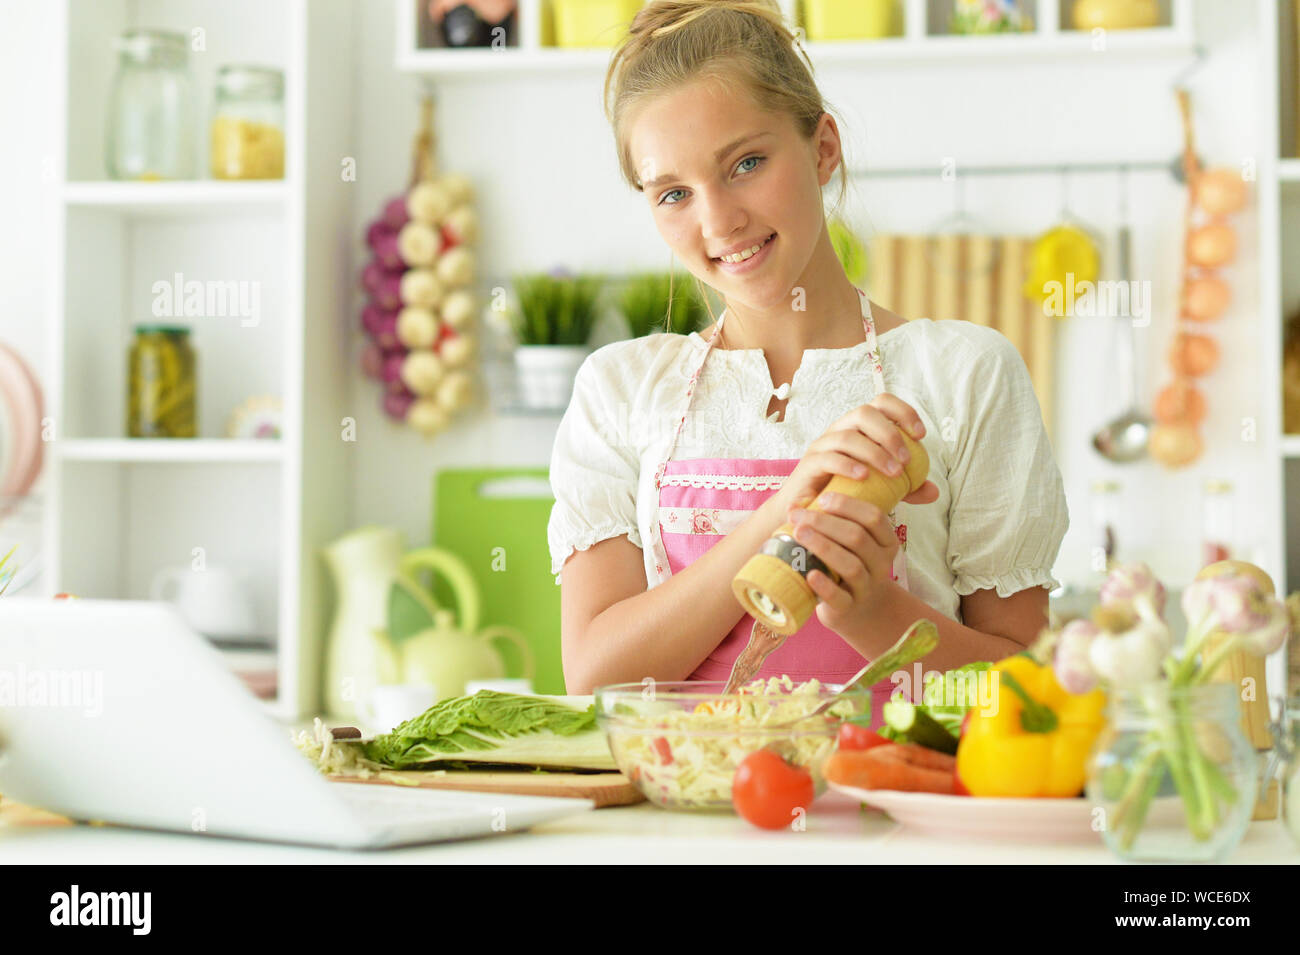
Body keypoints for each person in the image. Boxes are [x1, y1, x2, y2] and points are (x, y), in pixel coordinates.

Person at [547, 0, 1068, 718]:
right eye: (674, 193)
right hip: (682, 818)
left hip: (902, 818)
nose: (718, 220)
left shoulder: (963, 375)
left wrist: (874, 613)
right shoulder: (621, 390)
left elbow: (1030, 692)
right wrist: (784, 513)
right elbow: (599, 676)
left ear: (823, 148)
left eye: (746, 163)